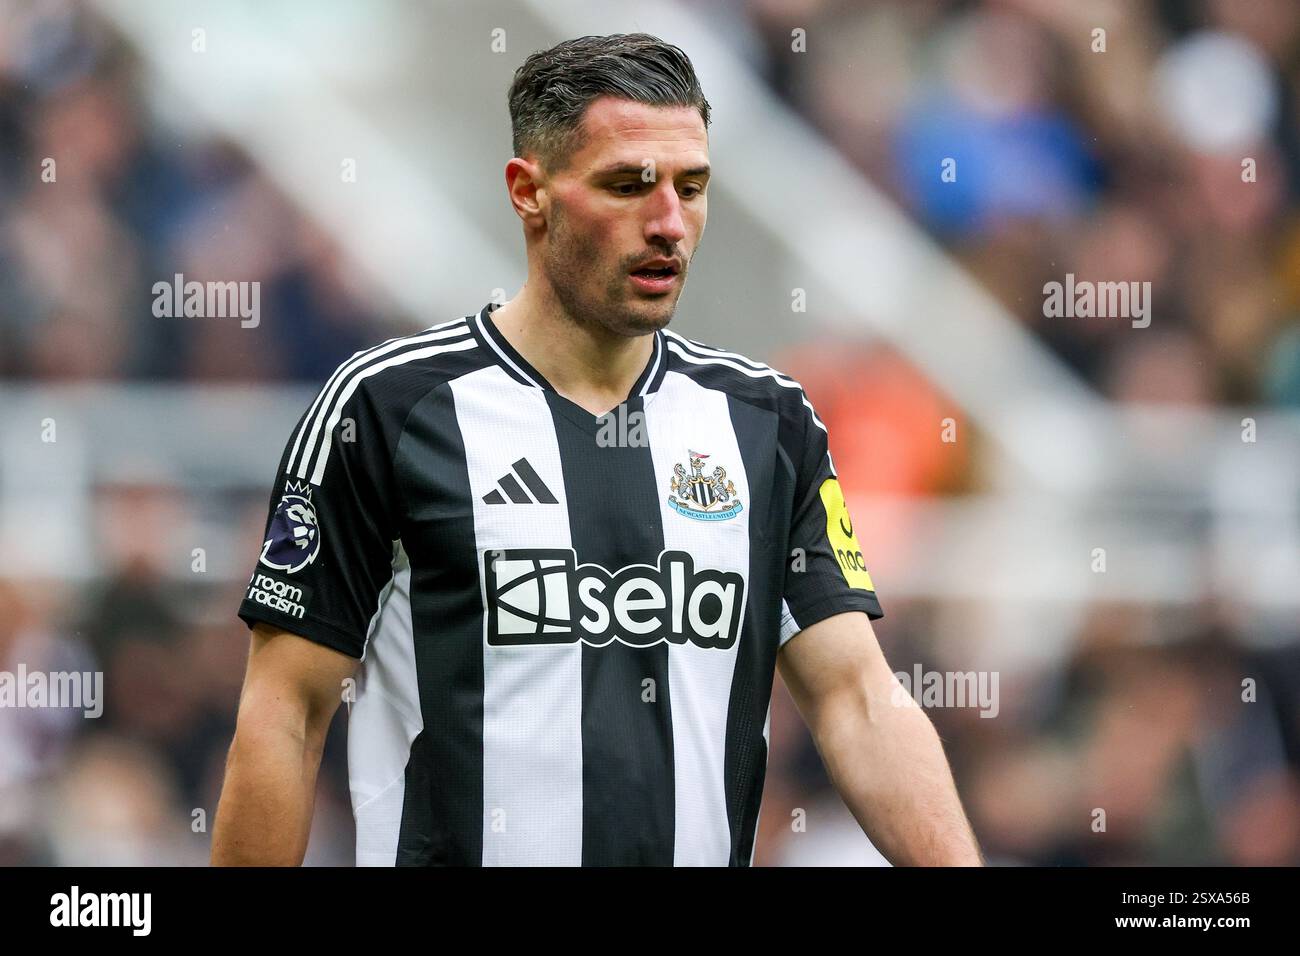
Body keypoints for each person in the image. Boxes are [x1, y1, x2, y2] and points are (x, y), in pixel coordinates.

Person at [211, 33, 982, 867]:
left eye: (692, 188)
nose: (668, 224)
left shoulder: (768, 423)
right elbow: (285, 717)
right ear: (528, 192)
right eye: (627, 186)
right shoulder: (387, 409)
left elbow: (858, 702)